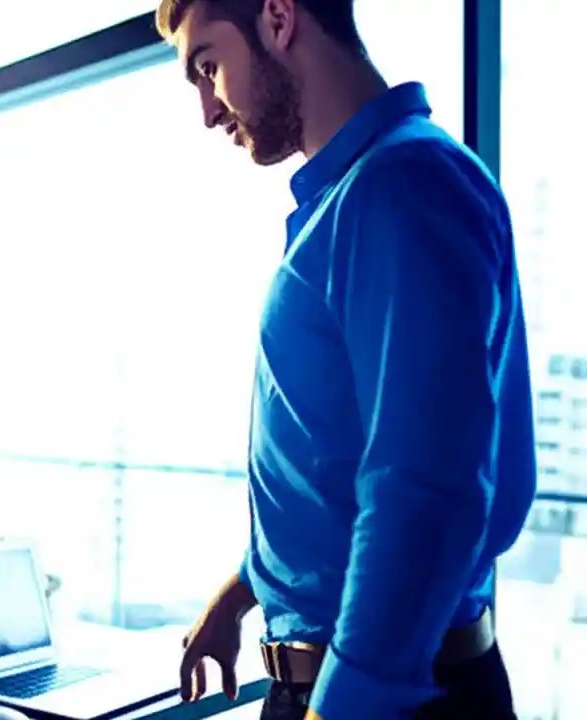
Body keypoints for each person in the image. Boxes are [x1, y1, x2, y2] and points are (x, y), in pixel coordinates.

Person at [153, 1, 535, 718]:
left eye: (209, 66)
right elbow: (337, 465)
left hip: (386, 699)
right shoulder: (360, 194)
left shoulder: (401, 186)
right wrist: (243, 591)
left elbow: (424, 490)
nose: (207, 111)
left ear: (277, 17)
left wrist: (345, 704)